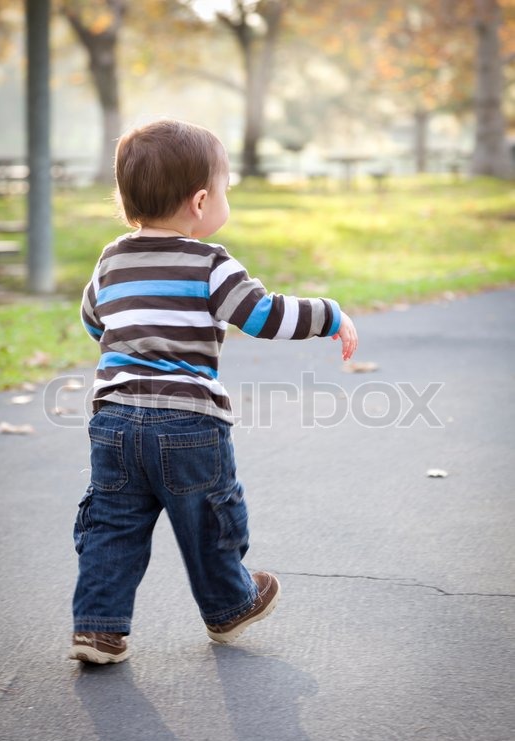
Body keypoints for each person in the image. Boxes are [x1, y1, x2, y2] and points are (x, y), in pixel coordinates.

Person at [69, 119, 358, 664]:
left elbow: (94, 320)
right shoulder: (211, 263)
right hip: (189, 423)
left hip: (113, 422)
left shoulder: (111, 259)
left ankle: (98, 628)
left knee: (112, 523)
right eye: (225, 190)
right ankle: (229, 606)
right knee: (209, 519)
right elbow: (262, 315)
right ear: (201, 202)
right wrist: (329, 315)